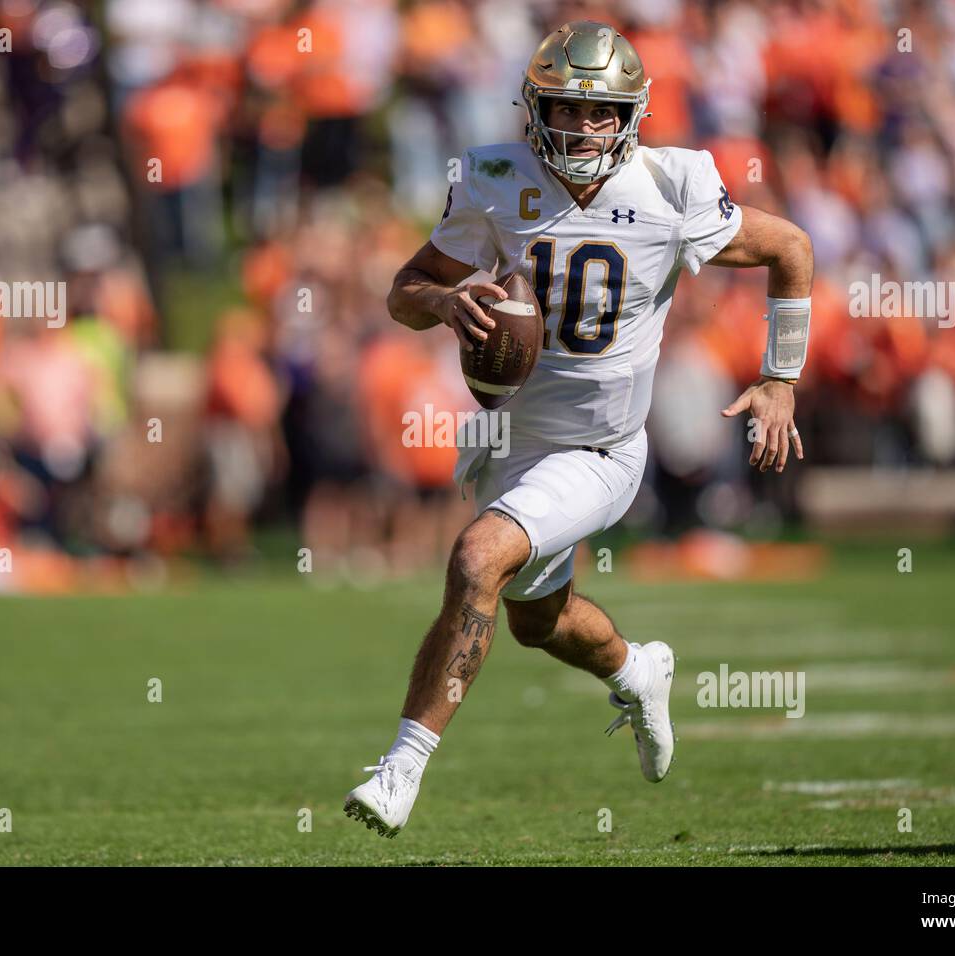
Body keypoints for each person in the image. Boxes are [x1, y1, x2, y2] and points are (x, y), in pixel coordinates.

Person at [345, 20, 814, 838]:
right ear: (536, 109)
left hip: (601, 450)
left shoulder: (674, 185)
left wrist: (780, 377)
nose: (584, 128)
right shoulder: (494, 176)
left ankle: (400, 769)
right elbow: (404, 289)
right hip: (509, 440)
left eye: (603, 114)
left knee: (475, 558)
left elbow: (792, 250)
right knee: (537, 620)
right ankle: (639, 669)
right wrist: (445, 301)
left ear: (633, 115)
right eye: (566, 109)